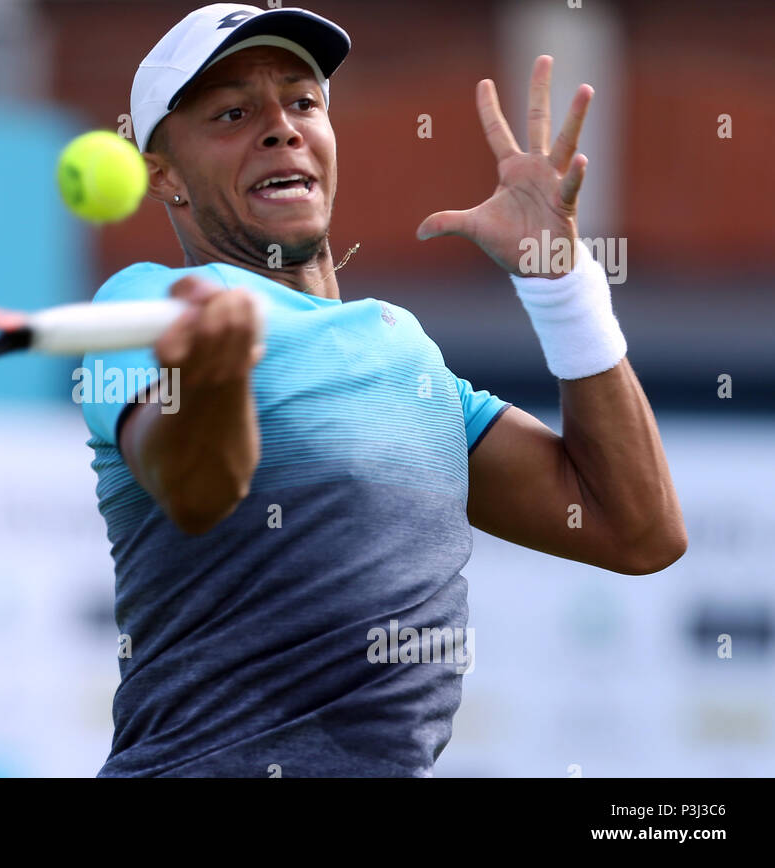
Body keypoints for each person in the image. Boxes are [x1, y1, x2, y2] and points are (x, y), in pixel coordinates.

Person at [79, 3, 686, 777]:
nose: (281, 127)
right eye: (233, 112)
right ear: (162, 174)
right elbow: (195, 491)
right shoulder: (148, 305)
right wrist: (215, 375)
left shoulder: (404, 351)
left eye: (302, 102)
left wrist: (563, 286)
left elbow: (636, 530)